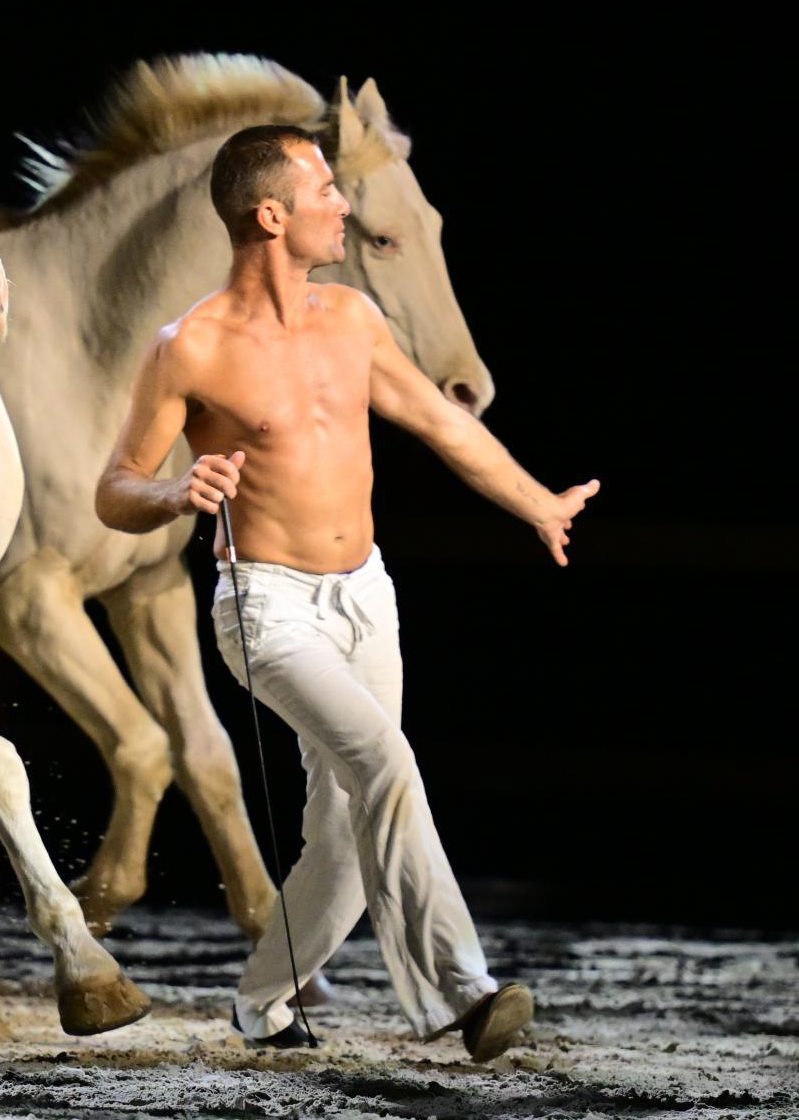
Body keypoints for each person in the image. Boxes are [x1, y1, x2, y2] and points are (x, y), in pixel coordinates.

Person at [93, 123, 597, 1059]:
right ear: (270, 215)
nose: (345, 206)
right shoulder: (190, 347)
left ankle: (262, 1002)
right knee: (387, 768)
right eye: (326, 191)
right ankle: (463, 992)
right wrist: (174, 492)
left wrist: (538, 504)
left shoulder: (353, 319)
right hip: (268, 609)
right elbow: (113, 489)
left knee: (343, 832)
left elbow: (443, 426)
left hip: (366, 597)